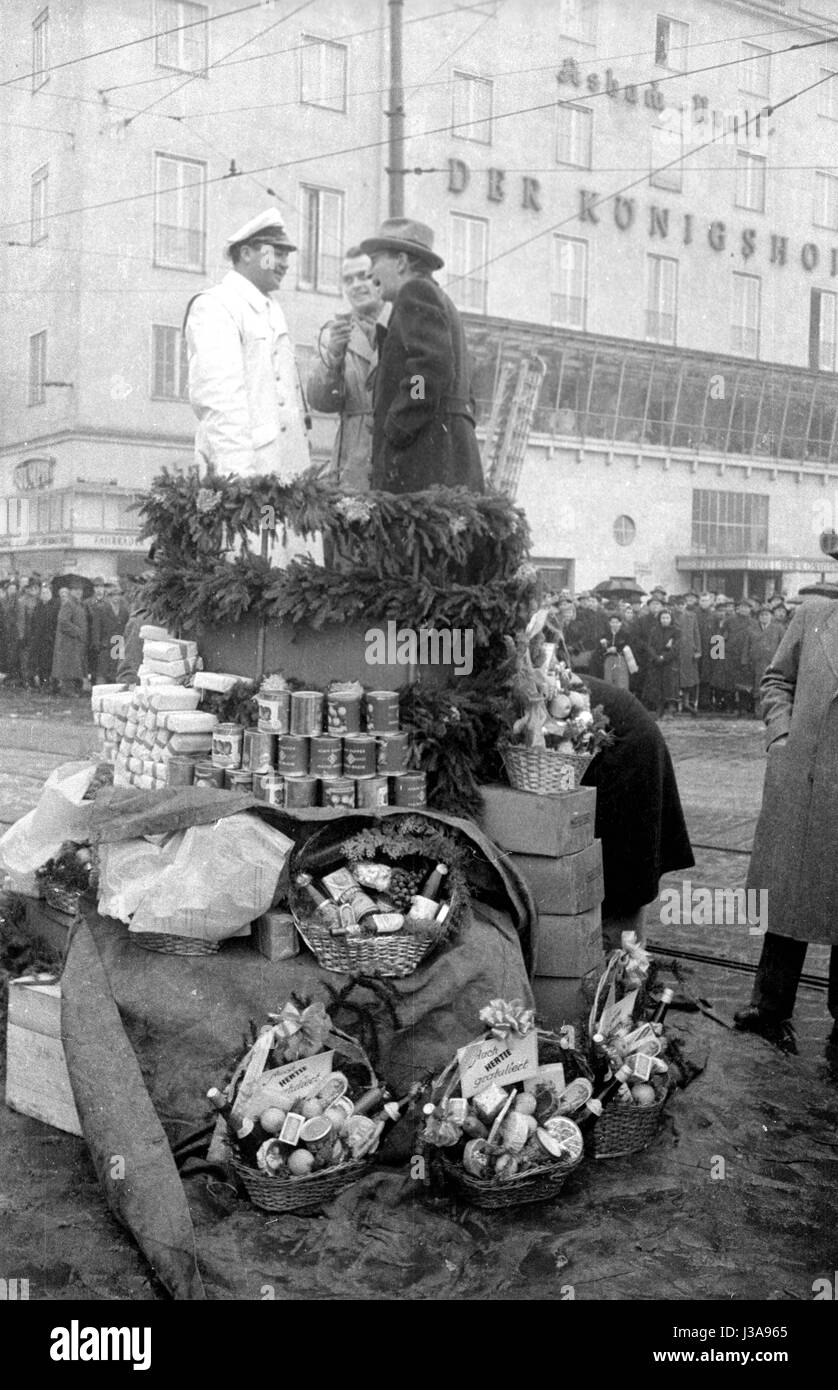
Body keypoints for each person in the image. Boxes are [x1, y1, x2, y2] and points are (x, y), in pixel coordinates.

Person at [735, 591, 838, 1052]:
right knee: (787, 890)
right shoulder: (812, 617)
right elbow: (777, 679)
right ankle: (770, 1004)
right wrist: (781, 734)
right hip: (803, 780)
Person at [184, 209, 311, 483]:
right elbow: (221, 401)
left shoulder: (272, 310)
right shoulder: (216, 306)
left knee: (275, 527)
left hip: (285, 474)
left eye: (286, 255)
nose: (285, 264)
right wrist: (238, 479)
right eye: (276, 253)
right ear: (245, 253)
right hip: (247, 477)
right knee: (260, 528)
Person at [359, 218, 484, 493]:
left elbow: (427, 373)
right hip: (448, 457)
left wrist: (398, 425)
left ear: (401, 262)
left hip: (426, 461)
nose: (371, 274)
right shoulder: (438, 298)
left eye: (376, 261)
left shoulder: (415, 293)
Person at [581, 675, 695, 950]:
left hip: (629, 754)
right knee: (624, 870)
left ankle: (622, 966)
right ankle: (626, 960)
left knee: (622, 871)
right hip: (623, 745)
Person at [306, 247, 385, 491]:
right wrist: (334, 356)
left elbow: (420, 388)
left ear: (380, 278)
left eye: (363, 275)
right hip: (353, 462)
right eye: (348, 280)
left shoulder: (403, 325)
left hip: (395, 450)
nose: (356, 285)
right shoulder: (337, 332)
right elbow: (320, 402)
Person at [641, 607, 681, 717]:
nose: (664, 620)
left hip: (670, 663)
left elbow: (676, 648)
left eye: (667, 618)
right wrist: (656, 657)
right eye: (662, 618)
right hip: (657, 662)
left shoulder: (676, 631)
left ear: (671, 619)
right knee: (657, 685)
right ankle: (659, 708)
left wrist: (664, 657)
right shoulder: (654, 630)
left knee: (670, 685)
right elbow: (650, 646)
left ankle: (671, 709)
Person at [742, 604, 782, 711]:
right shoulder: (751, 629)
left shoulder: (778, 629)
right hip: (756, 662)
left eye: (766, 615)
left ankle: (771, 709)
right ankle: (758, 709)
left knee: (771, 685)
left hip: (772, 662)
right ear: (758, 617)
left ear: (771, 616)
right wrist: (744, 661)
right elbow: (746, 646)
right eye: (762, 615)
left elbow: (783, 646)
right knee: (757, 685)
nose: (764, 617)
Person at [51, 585, 88, 696]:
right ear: (71, 591)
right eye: (75, 590)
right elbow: (63, 622)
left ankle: (73, 689)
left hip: (76, 641)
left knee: (75, 666)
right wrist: (78, 631)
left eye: (80, 590)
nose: (78, 592)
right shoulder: (68, 604)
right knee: (68, 667)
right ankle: (67, 690)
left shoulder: (79, 604)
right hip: (68, 642)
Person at [90, 582, 128, 683]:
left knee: (116, 668)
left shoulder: (124, 611)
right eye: (113, 595)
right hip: (105, 643)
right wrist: (97, 643)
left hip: (119, 643)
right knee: (103, 669)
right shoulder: (101, 609)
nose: (116, 597)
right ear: (109, 597)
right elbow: (96, 628)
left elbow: (126, 627)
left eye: (118, 595)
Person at [671, 594, 701, 716]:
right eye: (678, 605)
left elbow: (696, 634)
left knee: (688, 679)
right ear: (675, 606)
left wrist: (698, 650)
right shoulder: (670, 616)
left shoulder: (692, 616)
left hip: (689, 652)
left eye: (682, 605)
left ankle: (686, 703)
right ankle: (673, 704)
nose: (680, 607)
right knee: (675, 678)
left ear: (685, 606)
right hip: (675, 652)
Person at [29, 581, 60, 690]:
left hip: (50, 639)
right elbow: (33, 622)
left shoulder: (56, 605)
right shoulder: (39, 606)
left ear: (51, 593)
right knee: (41, 663)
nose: (44, 594)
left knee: (50, 663)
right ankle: (43, 684)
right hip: (39, 639)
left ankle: (51, 684)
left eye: (47, 592)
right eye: (43, 592)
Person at [589, 613, 634, 688]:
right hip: (607, 660)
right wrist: (605, 649)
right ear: (609, 623)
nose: (614, 624)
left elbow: (629, 647)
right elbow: (599, 650)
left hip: (621, 660)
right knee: (608, 680)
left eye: (617, 622)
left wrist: (618, 649)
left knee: (621, 682)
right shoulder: (604, 635)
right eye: (612, 622)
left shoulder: (626, 635)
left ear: (620, 623)